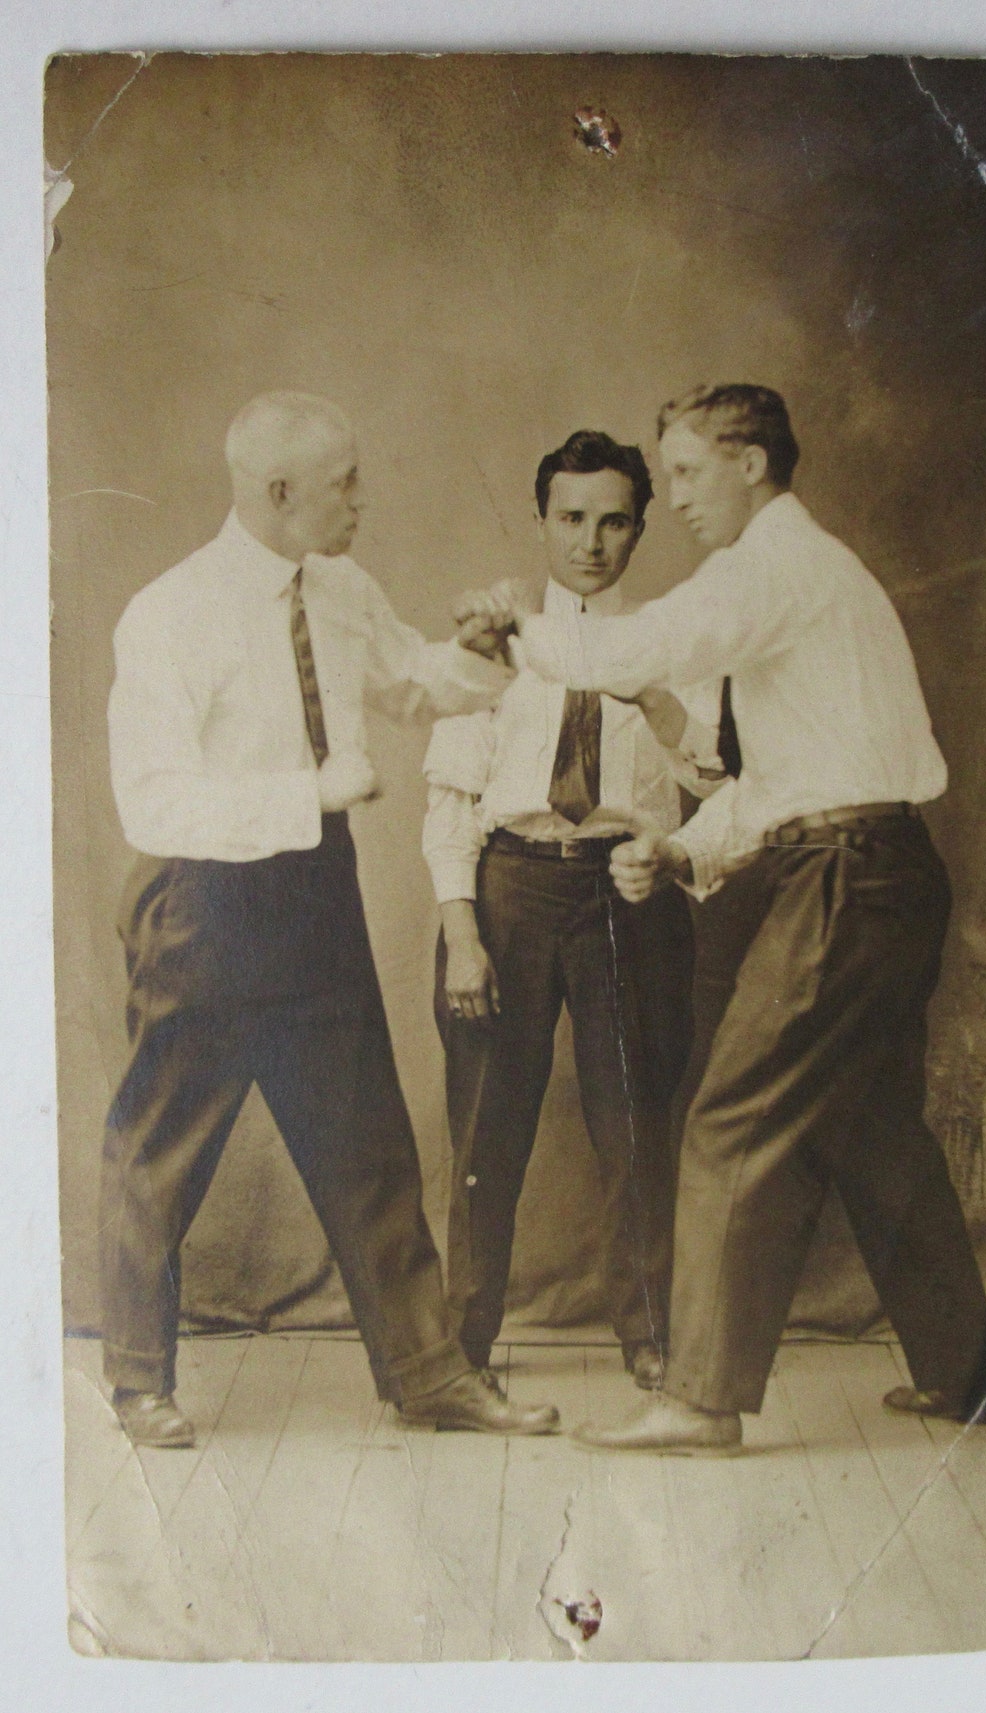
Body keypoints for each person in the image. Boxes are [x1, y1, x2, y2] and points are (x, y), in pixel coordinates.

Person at [466, 383, 986, 1452]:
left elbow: (630, 653)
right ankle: (975, 1379)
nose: (673, 499)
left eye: (684, 473)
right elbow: (790, 780)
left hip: (847, 878)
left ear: (753, 464)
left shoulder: (775, 565)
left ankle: (699, 1400)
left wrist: (519, 628)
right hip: (880, 865)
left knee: (728, 1120)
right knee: (873, 1134)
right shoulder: (812, 579)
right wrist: (684, 847)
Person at [100, 391, 559, 1448]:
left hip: (314, 895)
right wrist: (311, 790)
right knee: (159, 1148)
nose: (363, 497)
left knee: (369, 1149)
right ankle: (137, 1384)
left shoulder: (341, 588)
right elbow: (154, 803)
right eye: (344, 482)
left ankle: (429, 1377)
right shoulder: (167, 612)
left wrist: (482, 648)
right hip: (203, 904)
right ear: (277, 494)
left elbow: (413, 685)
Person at [423, 430, 724, 1389]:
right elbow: (453, 800)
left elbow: (718, 783)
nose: (591, 541)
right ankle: (464, 1345)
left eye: (614, 521)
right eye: (572, 519)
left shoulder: (677, 647)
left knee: (635, 1119)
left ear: (638, 530)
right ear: (544, 521)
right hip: (510, 886)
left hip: (627, 892)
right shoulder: (497, 647)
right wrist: (463, 934)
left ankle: (648, 1339)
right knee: (485, 1125)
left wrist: (664, 844)